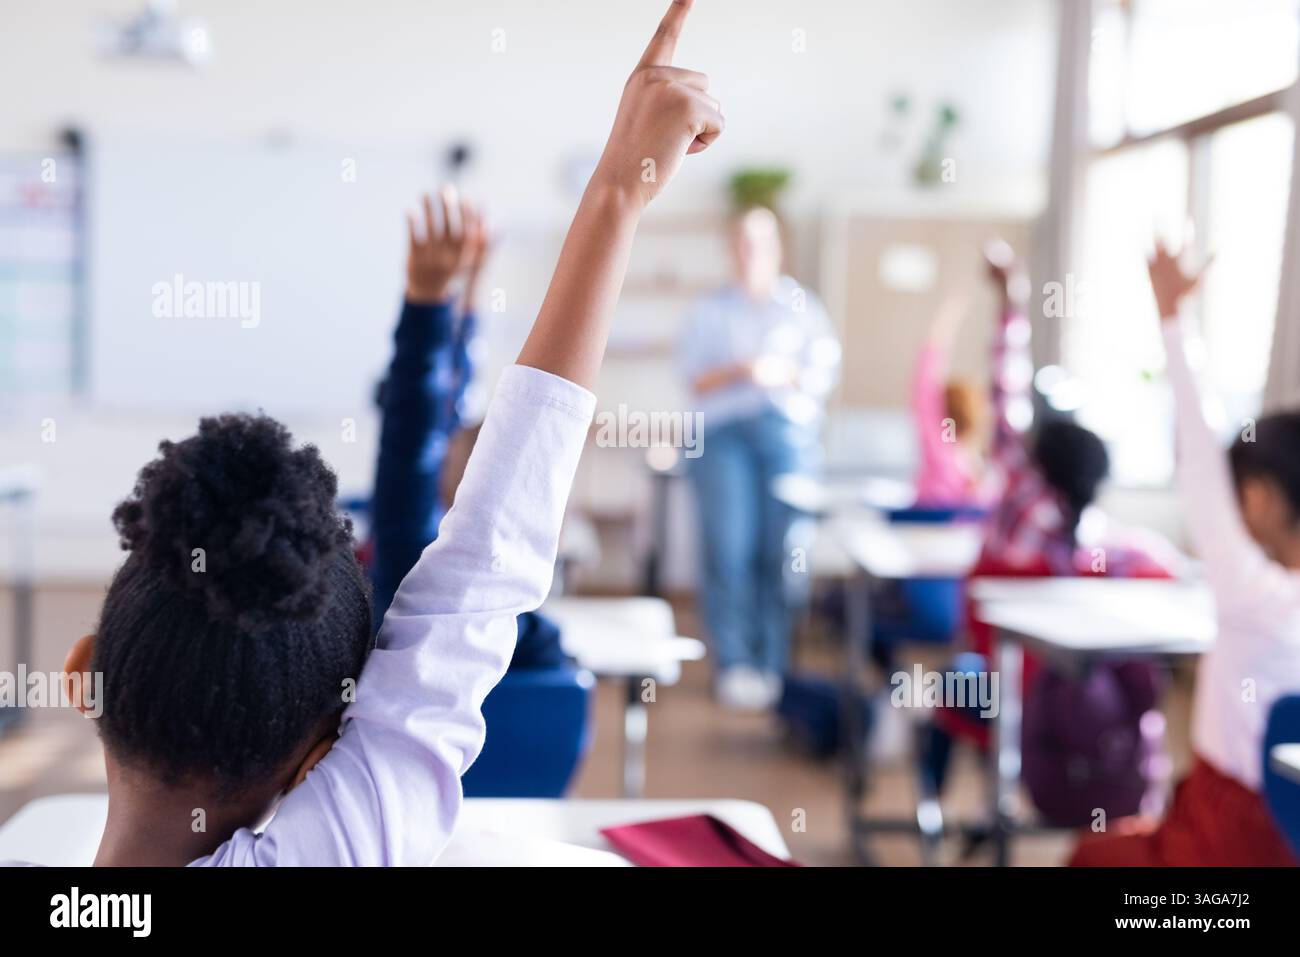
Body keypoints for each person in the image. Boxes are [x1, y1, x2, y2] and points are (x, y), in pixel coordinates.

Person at [41, 0, 722, 867]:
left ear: (84, 673)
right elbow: (482, 568)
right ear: (321, 757)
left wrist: (613, 194)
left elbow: (484, 556)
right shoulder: (340, 846)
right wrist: (620, 190)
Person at [1070, 239, 1300, 866]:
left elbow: (1201, 459)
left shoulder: (1258, 596)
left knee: (1092, 857)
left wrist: (1173, 319)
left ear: (1259, 497)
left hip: (1228, 847)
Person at [370, 191, 566, 668]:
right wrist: (470, 283)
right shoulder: (519, 620)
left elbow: (414, 431)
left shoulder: (415, 567)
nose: (449, 438)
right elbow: (451, 387)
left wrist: (425, 299)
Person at [679, 205, 840, 711]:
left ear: (778, 248)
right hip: (722, 437)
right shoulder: (709, 310)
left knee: (784, 553)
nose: (749, 253)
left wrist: (781, 373)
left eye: (760, 243)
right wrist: (743, 370)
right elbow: (694, 379)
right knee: (729, 549)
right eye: (741, 243)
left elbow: (820, 378)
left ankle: (774, 666)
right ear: (731, 250)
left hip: (785, 436)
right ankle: (735, 664)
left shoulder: (803, 309)